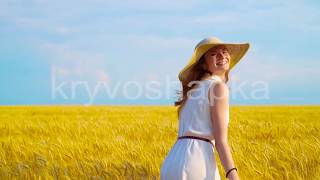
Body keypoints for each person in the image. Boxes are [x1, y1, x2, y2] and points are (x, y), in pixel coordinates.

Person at [160, 37, 250, 180]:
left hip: (172, 161)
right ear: (203, 64)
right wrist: (232, 173)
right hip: (197, 161)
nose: (222, 56)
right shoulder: (218, 87)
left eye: (224, 51)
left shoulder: (192, 91)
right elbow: (221, 140)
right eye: (214, 54)